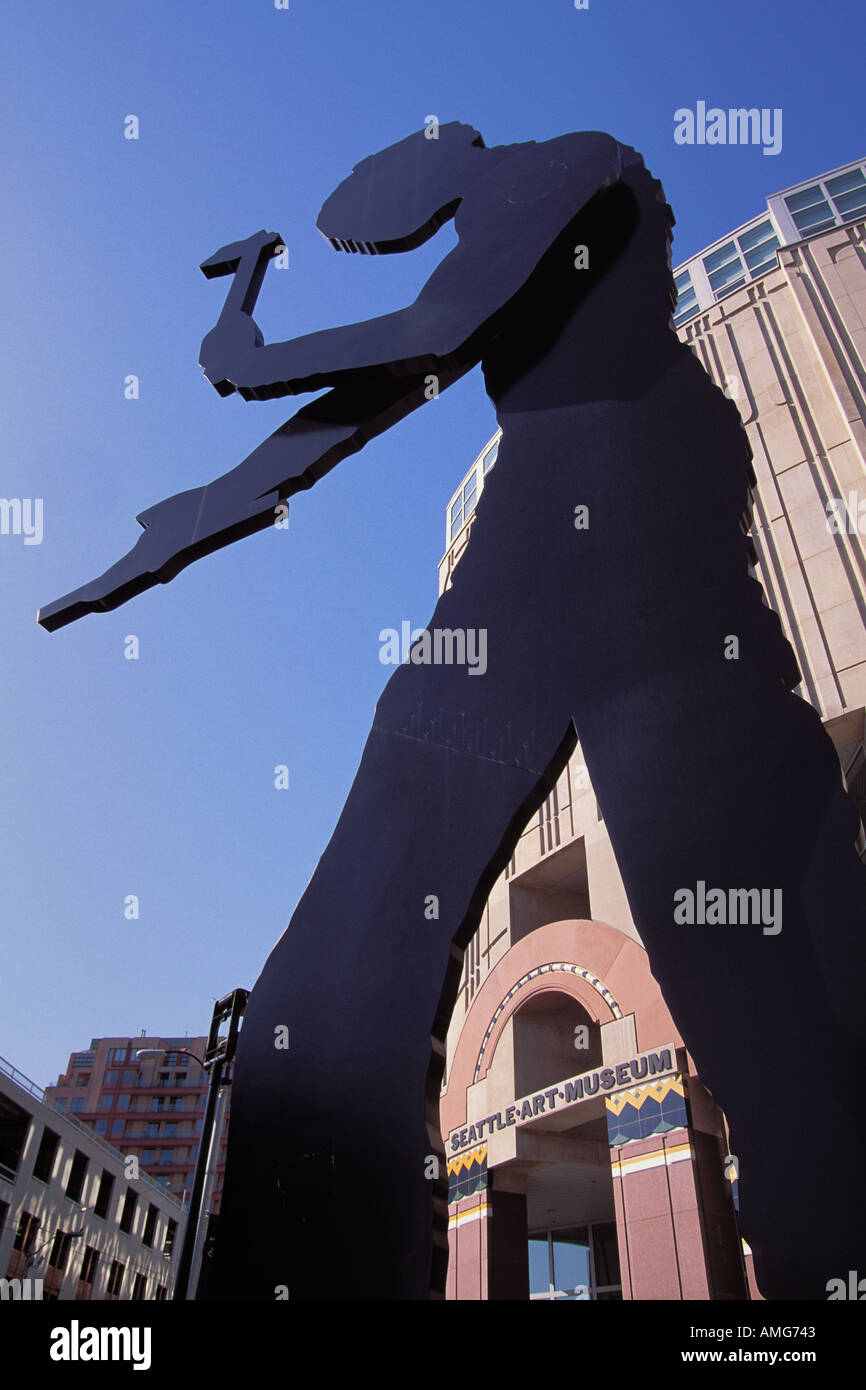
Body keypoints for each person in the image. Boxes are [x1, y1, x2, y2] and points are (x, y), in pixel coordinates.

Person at [41, 124, 866, 1300]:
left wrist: (250, 351)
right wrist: (166, 537)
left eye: (361, 195)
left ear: (436, 153)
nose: (355, 221)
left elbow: (427, 334)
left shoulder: (563, 165)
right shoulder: (499, 240)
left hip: (647, 549)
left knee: (774, 1000)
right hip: (529, 561)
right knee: (323, 1003)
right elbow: (344, 418)